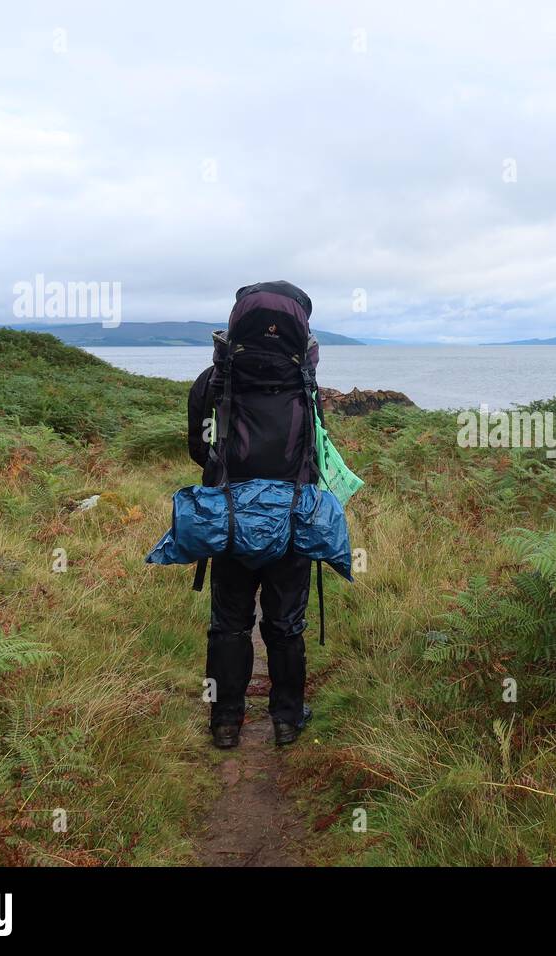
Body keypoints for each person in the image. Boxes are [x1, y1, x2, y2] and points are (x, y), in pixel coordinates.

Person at [186, 282, 322, 749]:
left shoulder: (215, 380)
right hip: (290, 519)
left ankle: (225, 723)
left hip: (230, 518)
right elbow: (315, 453)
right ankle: (286, 720)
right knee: (285, 625)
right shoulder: (304, 382)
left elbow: (197, 449)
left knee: (230, 622)